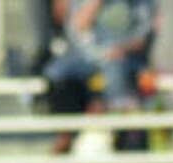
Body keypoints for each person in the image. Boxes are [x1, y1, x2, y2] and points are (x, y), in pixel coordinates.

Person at [43, 0, 155, 152]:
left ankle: (124, 136)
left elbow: (144, 35)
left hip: (124, 60)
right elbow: (77, 28)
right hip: (86, 57)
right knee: (56, 73)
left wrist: (121, 49)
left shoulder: (139, 3)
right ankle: (66, 134)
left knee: (116, 74)